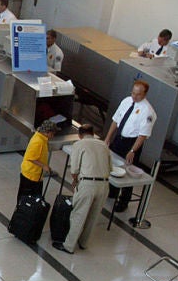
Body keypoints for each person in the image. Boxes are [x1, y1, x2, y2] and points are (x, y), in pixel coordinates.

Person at [52, 124, 111, 255]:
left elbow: (74, 170)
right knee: (93, 216)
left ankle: (68, 246)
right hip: (104, 185)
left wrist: (75, 181)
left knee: (79, 215)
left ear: (79, 135)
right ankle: (84, 243)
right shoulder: (103, 145)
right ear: (93, 133)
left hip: (88, 184)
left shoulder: (79, 145)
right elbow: (110, 168)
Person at [104, 80, 156, 212]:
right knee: (113, 164)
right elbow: (116, 120)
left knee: (128, 171)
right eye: (133, 93)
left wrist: (133, 150)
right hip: (119, 138)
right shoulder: (126, 101)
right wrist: (108, 138)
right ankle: (112, 191)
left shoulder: (147, 111)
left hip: (131, 143)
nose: (134, 96)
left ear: (144, 94)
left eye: (138, 94)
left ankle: (124, 200)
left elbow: (143, 135)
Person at [17, 120, 57, 203]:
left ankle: (28, 211)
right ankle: (23, 211)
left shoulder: (42, 139)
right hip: (31, 175)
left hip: (36, 175)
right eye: (52, 133)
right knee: (26, 198)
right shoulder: (38, 141)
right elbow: (31, 158)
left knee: (32, 198)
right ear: (47, 132)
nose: (53, 136)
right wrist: (44, 166)